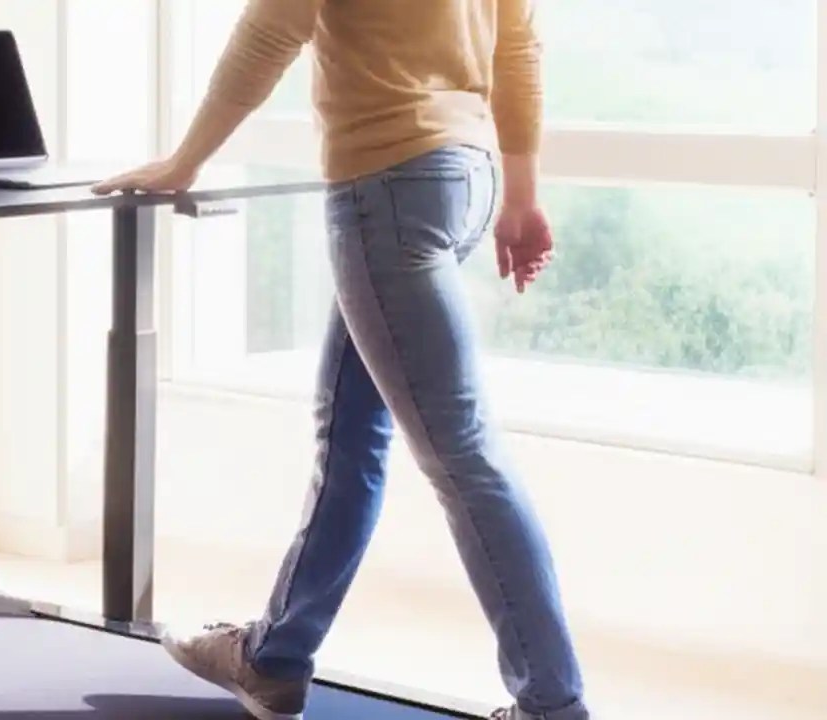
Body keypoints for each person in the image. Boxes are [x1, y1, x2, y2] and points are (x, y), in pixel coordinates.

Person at [92, 1, 588, 718]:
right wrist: (520, 194)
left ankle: (553, 703)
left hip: (387, 189)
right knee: (352, 434)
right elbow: (518, 47)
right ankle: (273, 660)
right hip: (463, 178)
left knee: (462, 456)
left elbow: (268, 33)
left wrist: (185, 162)